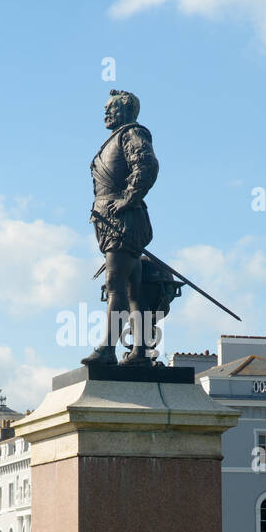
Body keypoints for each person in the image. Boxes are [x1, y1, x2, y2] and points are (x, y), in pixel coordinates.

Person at [85, 89, 159, 365]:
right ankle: (139, 352)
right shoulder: (115, 139)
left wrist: (129, 197)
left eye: (111, 108)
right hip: (111, 220)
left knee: (114, 284)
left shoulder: (133, 133)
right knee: (132, 288)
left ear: (126, 111)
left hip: (123, 220)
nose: (105, 112)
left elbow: (147, 165)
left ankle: (107, 349)